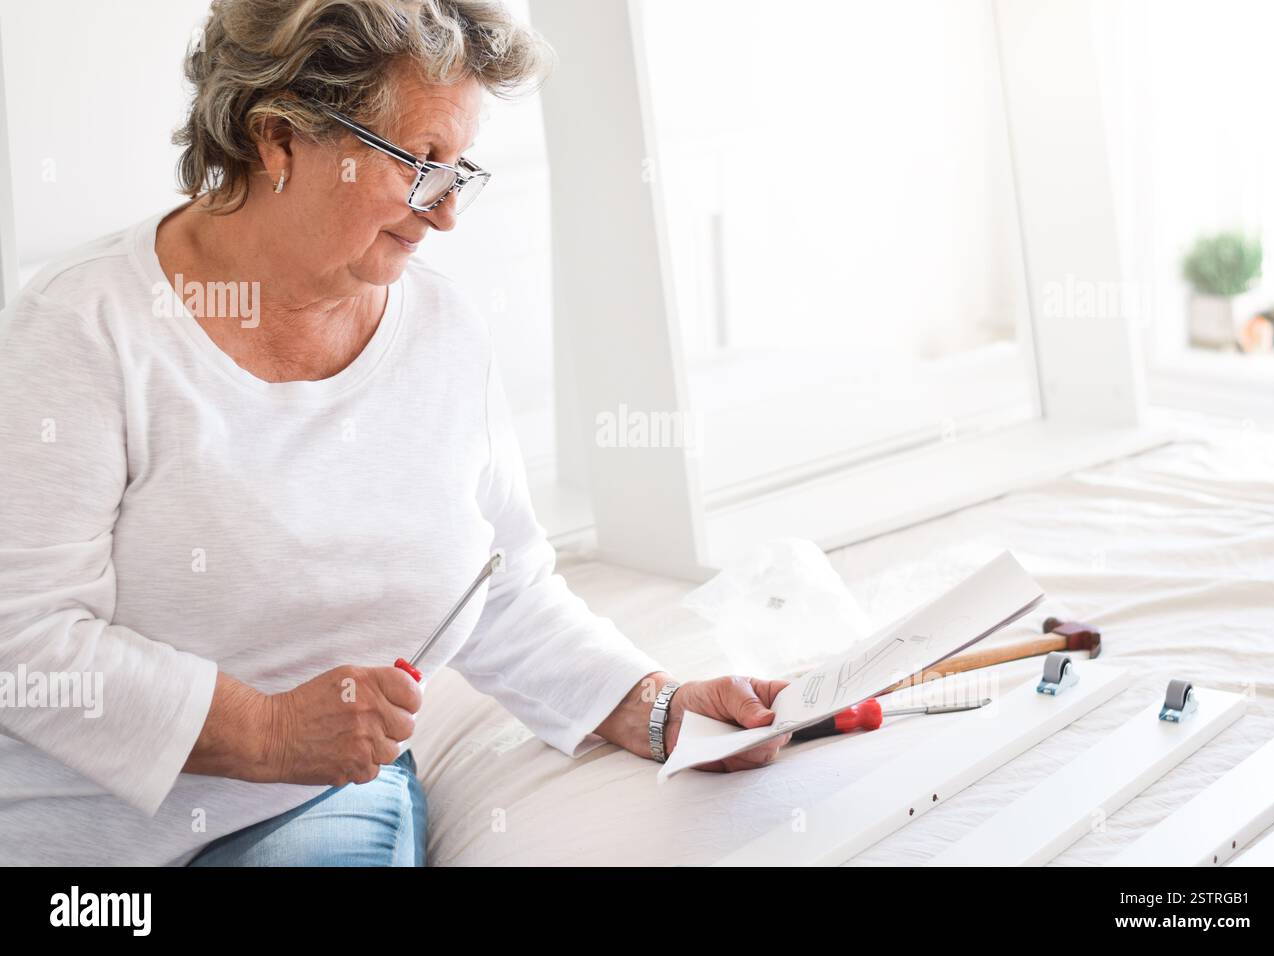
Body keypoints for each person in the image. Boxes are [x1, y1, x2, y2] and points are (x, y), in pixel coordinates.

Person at [0, 0, 790, 866]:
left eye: (460, 169)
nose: (446, 213)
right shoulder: (84, 326)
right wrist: (264, 730)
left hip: (312, 808)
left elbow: (502, 588)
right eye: (419, 163)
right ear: (279, 139)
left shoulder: (444, 332)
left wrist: (661, 708)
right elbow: (23, 643)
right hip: (74, 838)